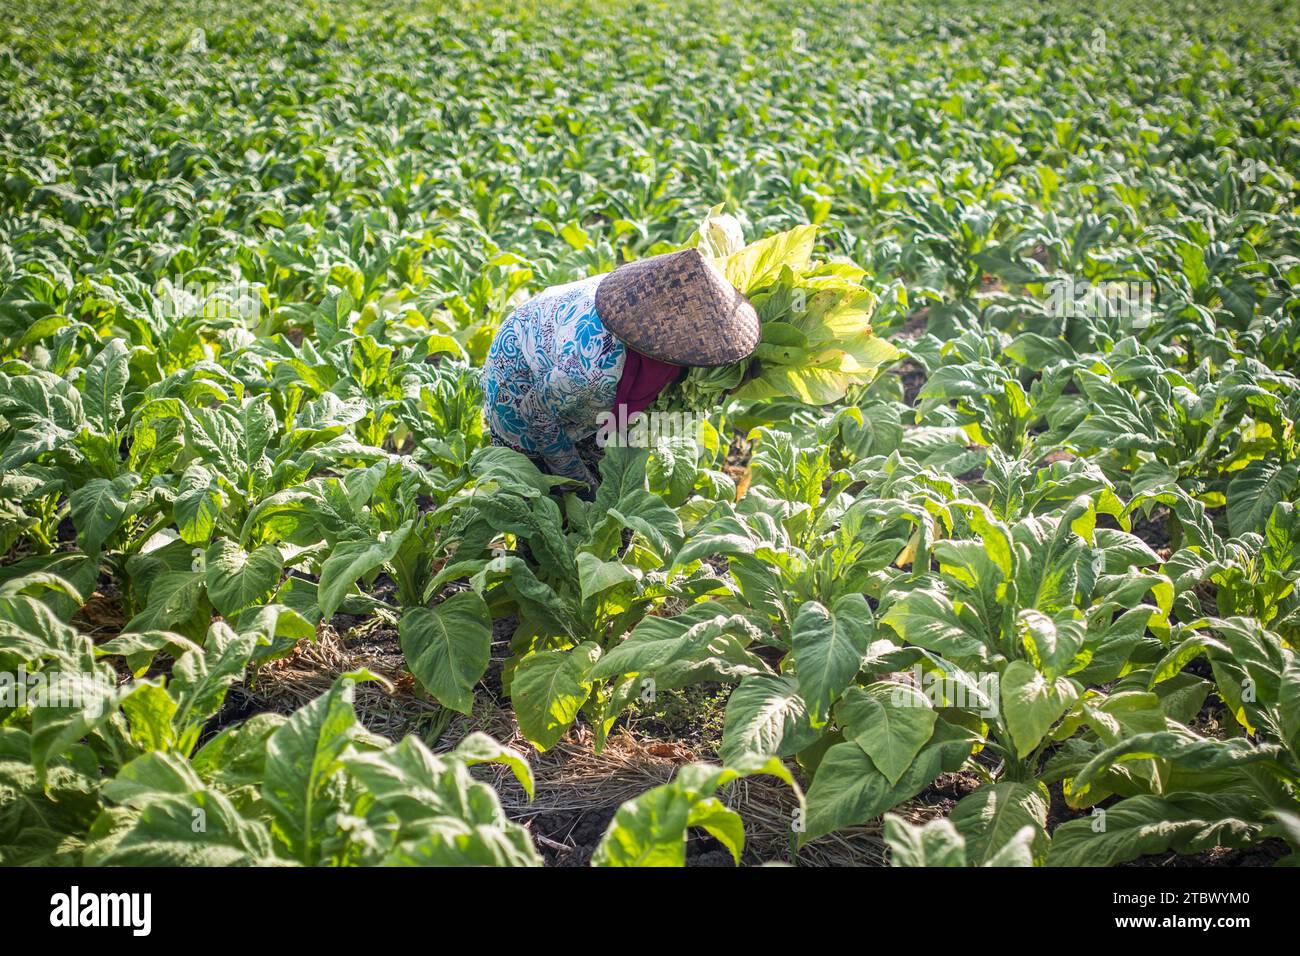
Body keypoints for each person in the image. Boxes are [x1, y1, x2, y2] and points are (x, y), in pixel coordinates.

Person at [481, 247, 760, 491]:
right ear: (674, 355)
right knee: (542, 502)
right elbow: (536, 416)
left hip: (566, 376)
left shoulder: (650, 298)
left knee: (621, 495)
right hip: (516, 382)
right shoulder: (592, 373)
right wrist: (577, 481)